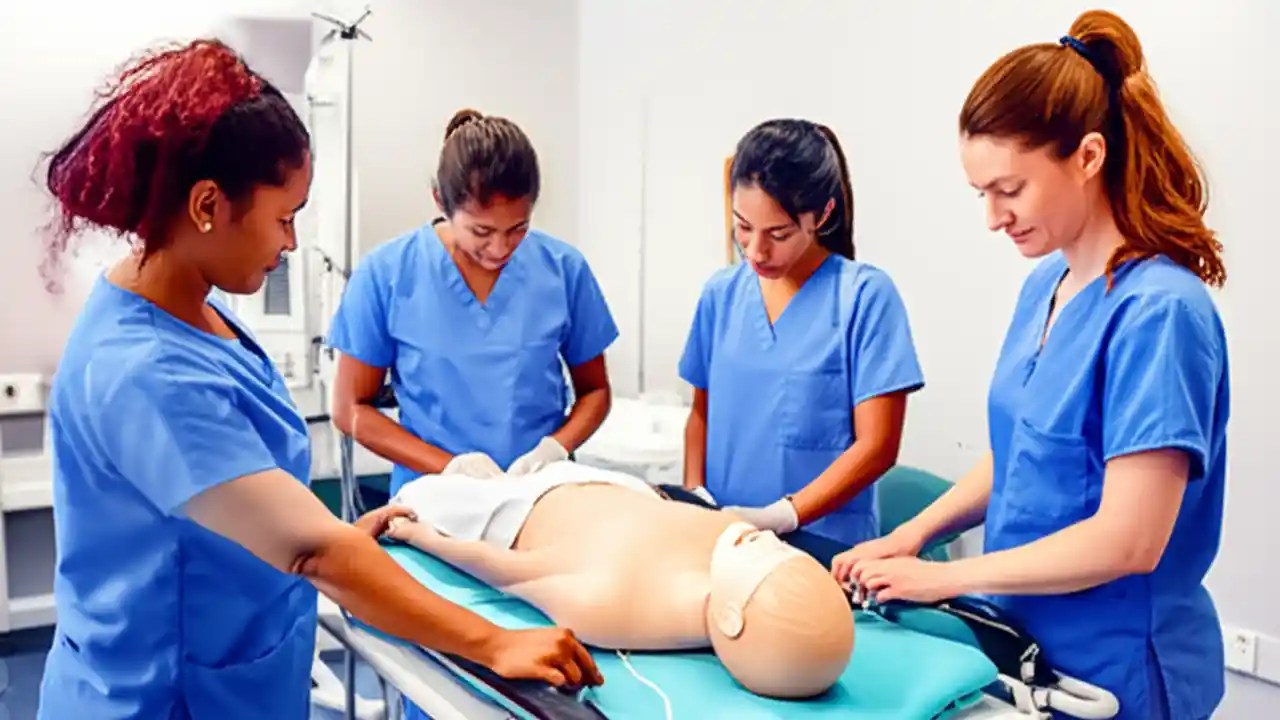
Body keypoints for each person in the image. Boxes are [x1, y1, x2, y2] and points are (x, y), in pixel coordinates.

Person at [35, 40, 600, 720]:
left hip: (238, 672)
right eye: (285, 218)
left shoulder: (197, 317)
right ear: (208, 204)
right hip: (162, 695)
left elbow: (243, 510)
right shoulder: (142, 368)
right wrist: (493, 642)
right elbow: (308, 549)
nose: (291, 244)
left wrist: (345, 538)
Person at [833, 10, 1228, 720]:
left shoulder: (1160, 312)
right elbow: (1021, 451)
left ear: (1088, 156)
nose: (992, 216)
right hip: (1022, 649)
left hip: (1116, 672)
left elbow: (1129, 540)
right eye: (981, 193)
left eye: (1009, 190)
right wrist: (916, 533)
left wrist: (941, 581)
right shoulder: (1045, 287)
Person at [328, 108, 618, 497]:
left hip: (539, 495)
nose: (499, 248)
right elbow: (350, 410)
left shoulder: (563, 270)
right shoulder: (387, 275)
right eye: (481, 231)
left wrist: (556, 447)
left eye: (518, 229)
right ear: (439, 202)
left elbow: (596, 392)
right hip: (432, 500)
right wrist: (448, 467)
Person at [384, 460, 854, 699]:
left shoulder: (612, 604)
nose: (765, 541)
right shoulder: (736, 542)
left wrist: (424, 537)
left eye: (766, 551)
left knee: (418, 494)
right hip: (610, 487)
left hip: (520, 514)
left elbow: (503, 570)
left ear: (730, 621)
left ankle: (476, 480)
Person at [679, 119, 924, 547]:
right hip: (727, 543)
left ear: (823, 214)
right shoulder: (721, 294)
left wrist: (784, 515)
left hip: (826, 549)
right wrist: (695, 497)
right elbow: (701, 414)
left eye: (778, 234)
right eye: (742, 227)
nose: (755, 250)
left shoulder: (864, 298)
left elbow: (878, 445)